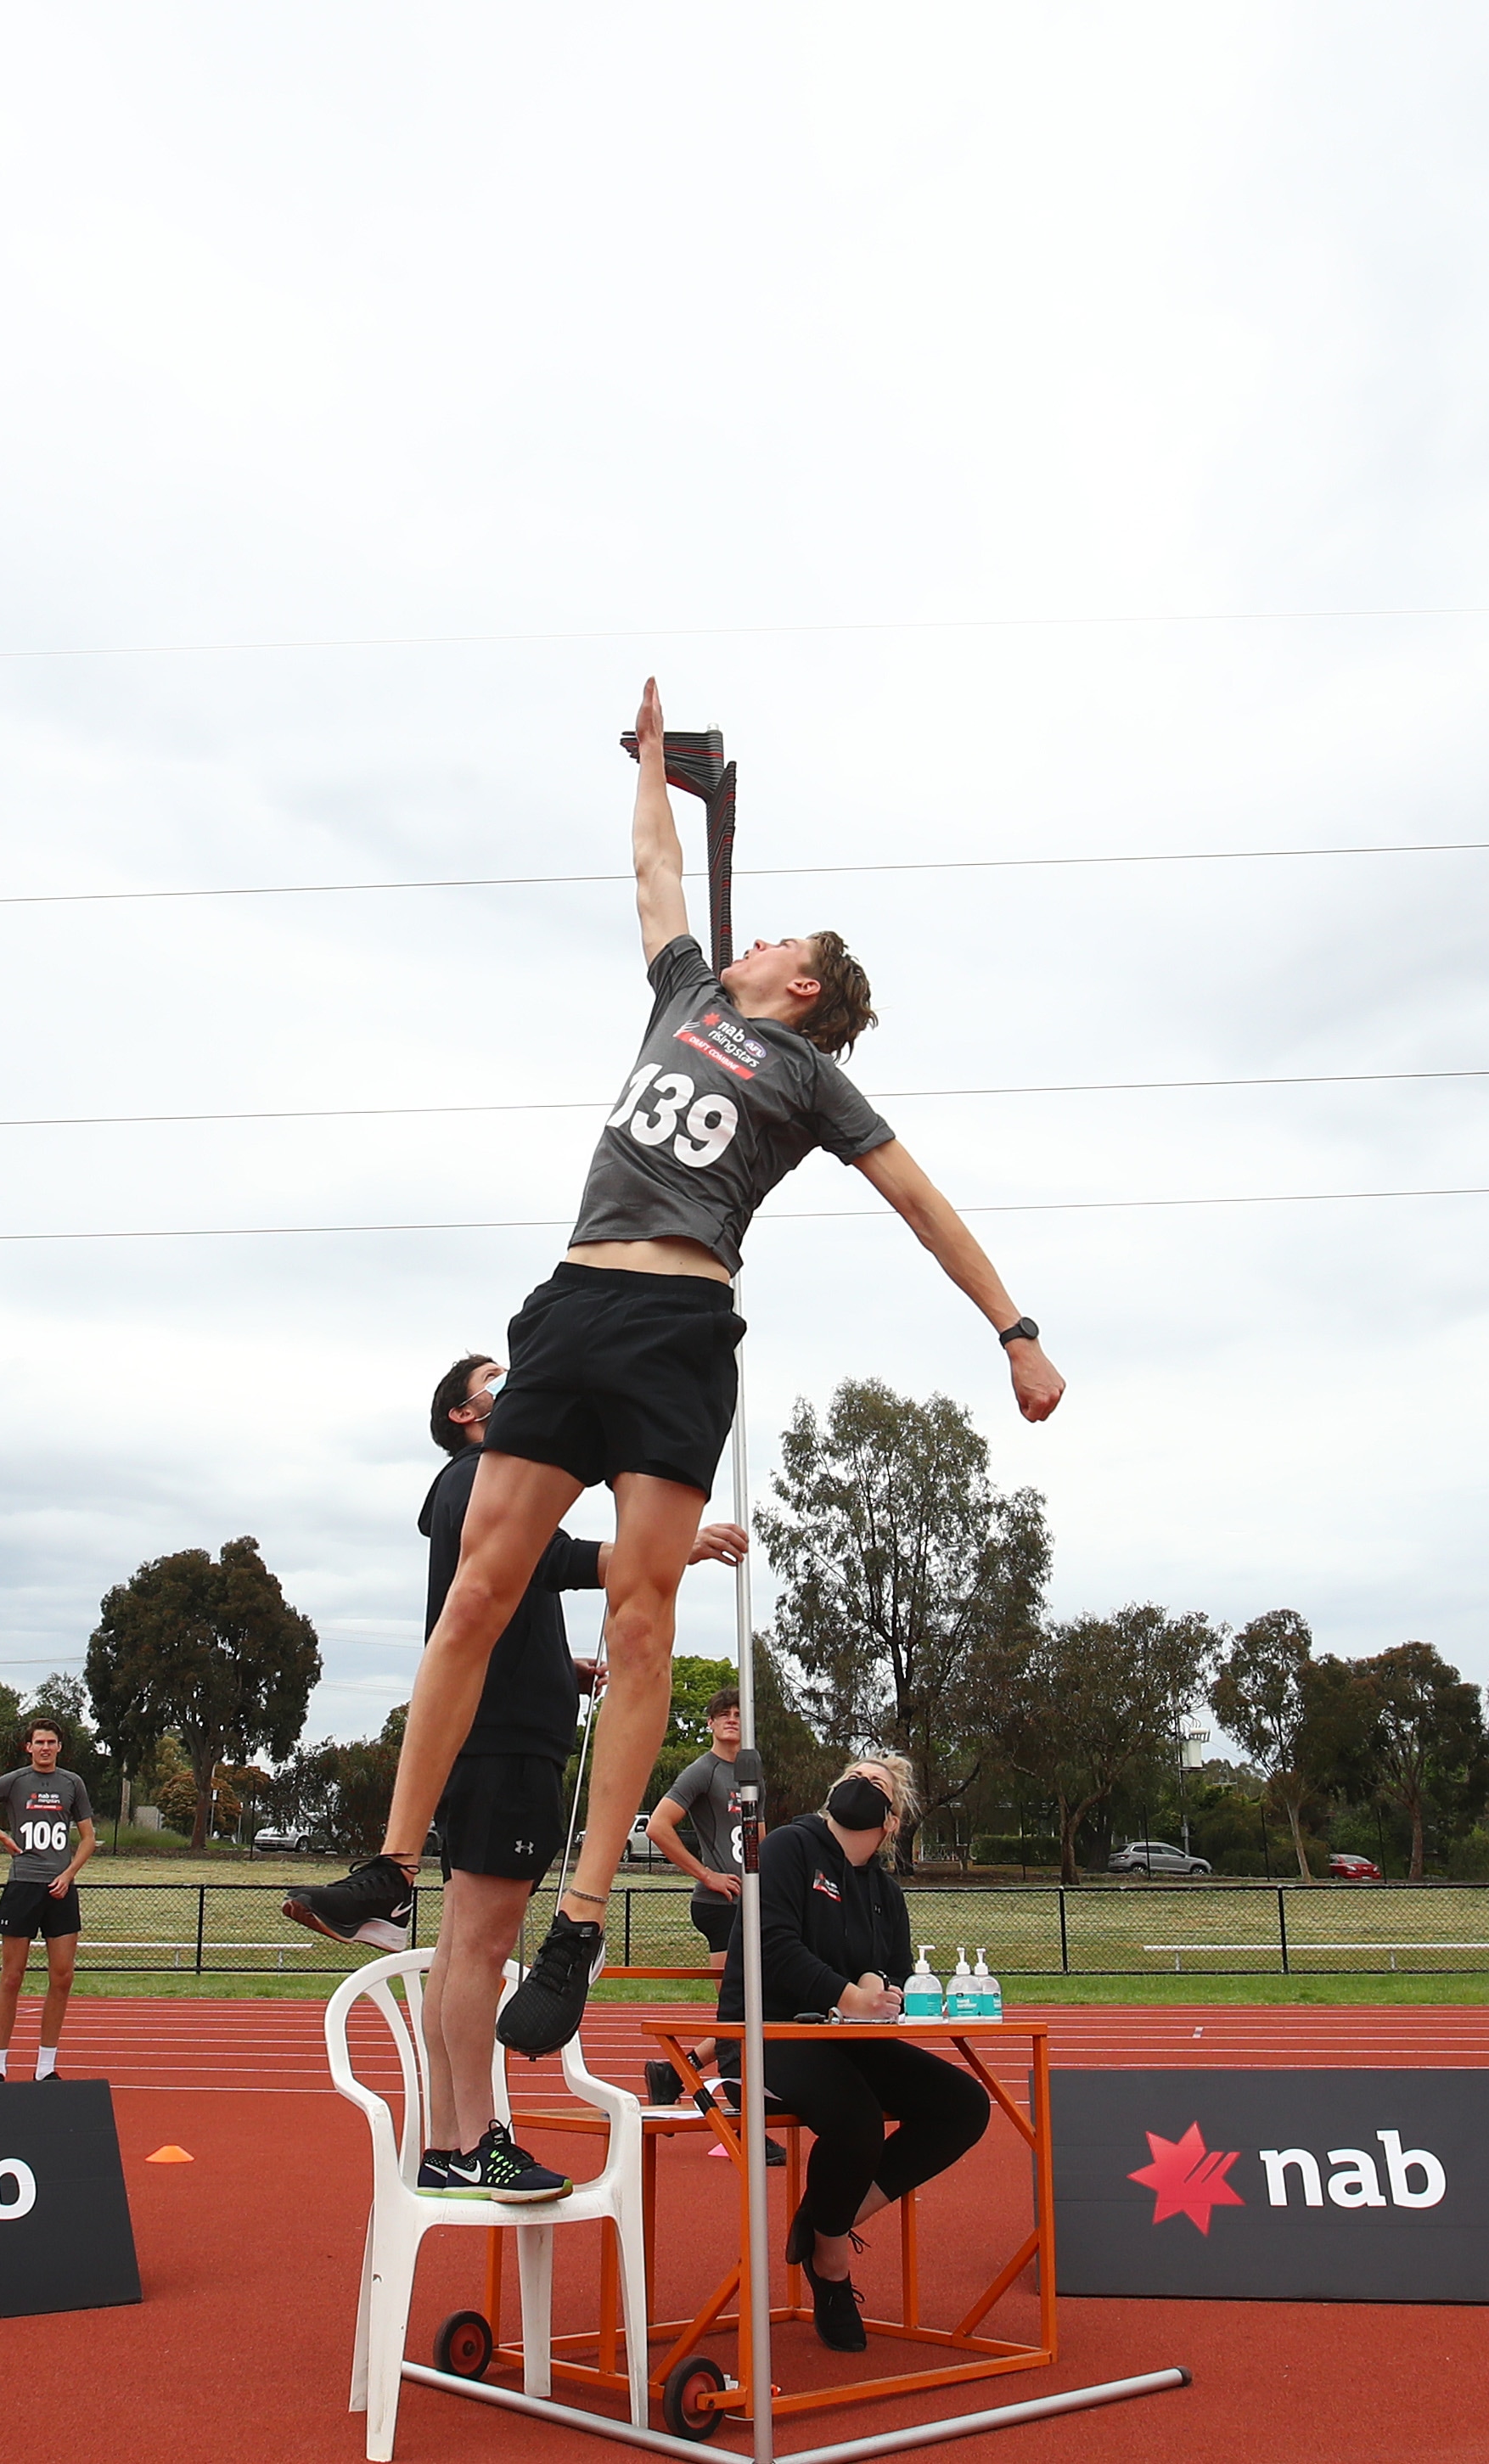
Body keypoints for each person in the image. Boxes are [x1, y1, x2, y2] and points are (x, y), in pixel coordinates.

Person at [290, 678, 1067, 2063]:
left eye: (781, 936)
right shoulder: (685, 993)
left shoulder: (811, 1080)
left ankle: (580, 1918)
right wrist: (648, 763)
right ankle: (387, 1861)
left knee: (641, 1615)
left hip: (676, 1332)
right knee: (477, 1582)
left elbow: (919, 1199)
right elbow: (651, 870)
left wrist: (1010, 1328)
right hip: (573, 1299)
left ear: (806, 984)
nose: (751, 936)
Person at [405, 1352, 746, 2200]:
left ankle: (449, 2141)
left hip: (487, 1739)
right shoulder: (481, 1476)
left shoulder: (465, 1488)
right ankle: (473, 2140)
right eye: (500, 1382)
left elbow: (520, 1588)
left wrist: (563, 1668)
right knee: (478, 1951)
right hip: (504, 1744)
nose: (520, 1388)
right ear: (464, 1413)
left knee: (458, 1947)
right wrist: (675, 1541)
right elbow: (559, 1557)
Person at [730, 1755, 990, 2353]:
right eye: (856, 1776)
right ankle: (833, 2266)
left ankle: (830, 2218)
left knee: (963, 2106)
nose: (862, 1787)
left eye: (879, 1786)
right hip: (771, 2033)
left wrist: (881, 1986)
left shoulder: (884, 1888)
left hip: (849, 2039)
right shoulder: (792, 1846)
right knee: (858, 2121)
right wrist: (848, 1994)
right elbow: (771, 1945)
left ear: (892, 1821)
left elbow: (896, 1969)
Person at [0, 1715, 98, 2082]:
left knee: (63, 1976)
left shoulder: (72, 1784)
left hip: (60, 1888)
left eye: (51, 1742)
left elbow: (87, 1838)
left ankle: (45, 2066)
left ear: (59, 1747)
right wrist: (2, 1836)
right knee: (12, 1976)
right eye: (39, 1742)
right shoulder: (16, 1781)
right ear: (29, 1747)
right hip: (23, 1885)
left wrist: (69, 1874)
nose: (45, 1748)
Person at [647, 1686, 751, 1968]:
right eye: (724, 1714)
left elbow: (758, 1835)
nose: (732, 1719)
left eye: (739, 1714)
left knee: (764, 1994)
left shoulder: (752, 1771)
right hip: (721, 1902)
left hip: (752, 1898)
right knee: (735, 1999)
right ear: (711, 1723)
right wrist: (707, 1876)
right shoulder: (703, 1770)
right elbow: (657, 1826)